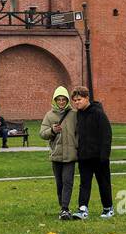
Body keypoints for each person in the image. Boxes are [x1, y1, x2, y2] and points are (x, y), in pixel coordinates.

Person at [71, 87, 113, 219]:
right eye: (75, 100)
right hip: (84, 156)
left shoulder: (98, 113)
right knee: (84, 183)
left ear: (86, 98)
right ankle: (82, 209)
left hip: (99, 156)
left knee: (103, 182)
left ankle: (108, 208)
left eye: (79, 99)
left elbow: (107, 134)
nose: (77, 103)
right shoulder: (79, 114)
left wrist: (104, 155)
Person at [39, 86, 78, 220]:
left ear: (67, 100)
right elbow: (42, 134)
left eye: (64, 99)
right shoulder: (49, 115)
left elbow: (79, 133)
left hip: (70, 155)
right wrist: (52, 130)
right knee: (60, 183)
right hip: (56, 155)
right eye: (59, 99)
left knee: (68, 182)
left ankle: (65, 209)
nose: (61, 102)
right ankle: (62, 206)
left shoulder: (74, 114)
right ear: (55, 100)